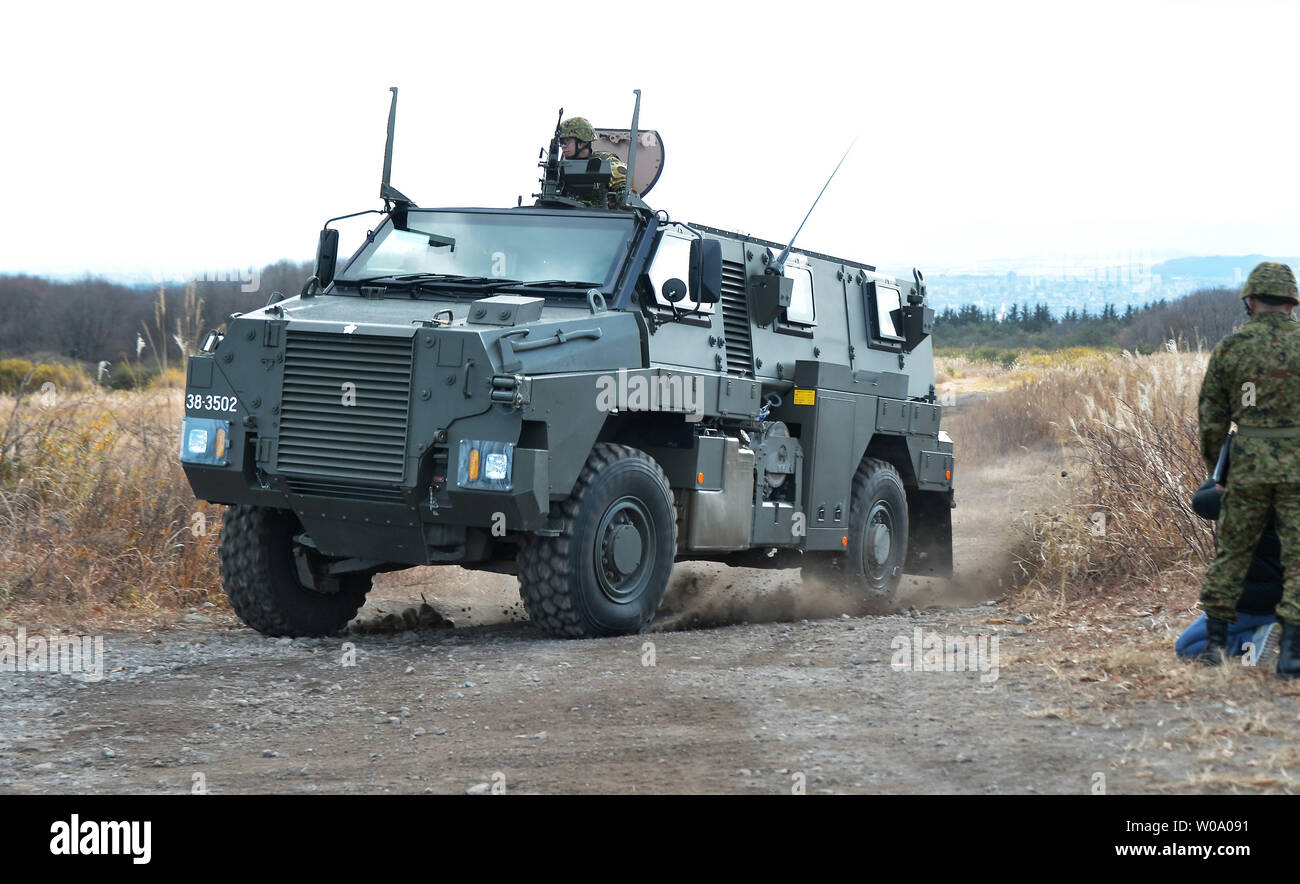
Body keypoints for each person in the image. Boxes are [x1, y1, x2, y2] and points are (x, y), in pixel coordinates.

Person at [1197, 261, 1300, 676]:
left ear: (1251, 301)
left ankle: (1215, 647)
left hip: (1247, 466)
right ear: (1292, 303)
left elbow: (1212, 419)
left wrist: (1217, 472)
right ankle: (1292, 656)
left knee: (1232, 555)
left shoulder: (1231, 349)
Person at [1175, 477, 1279, 661]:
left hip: (1246, 604)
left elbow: (1201, 502)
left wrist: (1222, 476)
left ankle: (1253, 641)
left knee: (1186, 647)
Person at [558, 116, 628, 209]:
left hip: (600, 220)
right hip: (565, 219)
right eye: (561, 143)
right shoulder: (560, 168)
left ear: (582, 141)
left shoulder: (607, 161)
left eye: (567, 142)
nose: (563, 146)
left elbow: (626, 196)